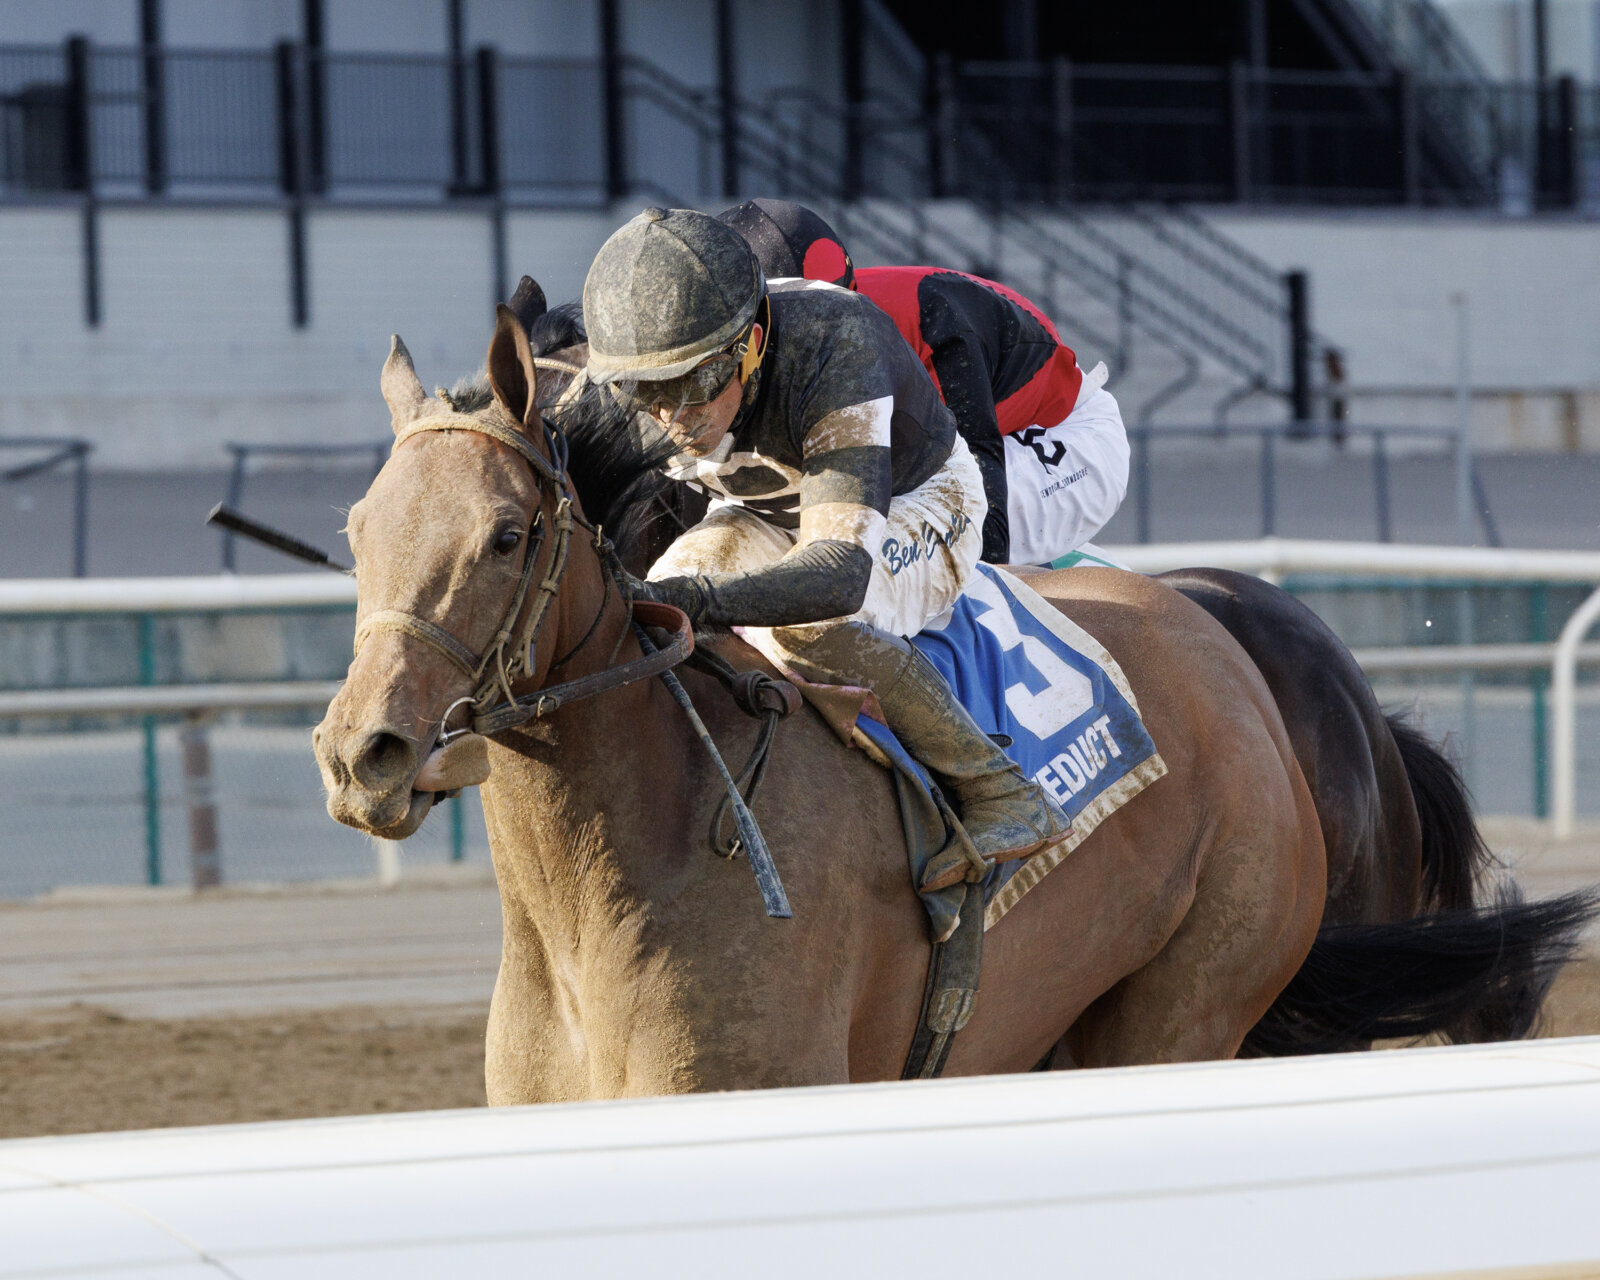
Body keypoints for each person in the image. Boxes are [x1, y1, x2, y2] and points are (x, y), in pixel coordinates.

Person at [581, 206, 1071, 877]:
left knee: (809, 625)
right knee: (651, 622)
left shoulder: (838, 345)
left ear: (749, 344)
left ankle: (1002, 790)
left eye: (692, 386)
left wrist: (704, 597)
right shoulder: (634, 371)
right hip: (763, 504)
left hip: (917, 501)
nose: (671, 419)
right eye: (645, 393)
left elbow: (837, 573)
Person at [716, 198, 1129, 567]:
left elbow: (978, 503)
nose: (819, 338)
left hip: (1062, 440)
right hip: (967, 438)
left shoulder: (938, 327)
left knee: (900, 535)